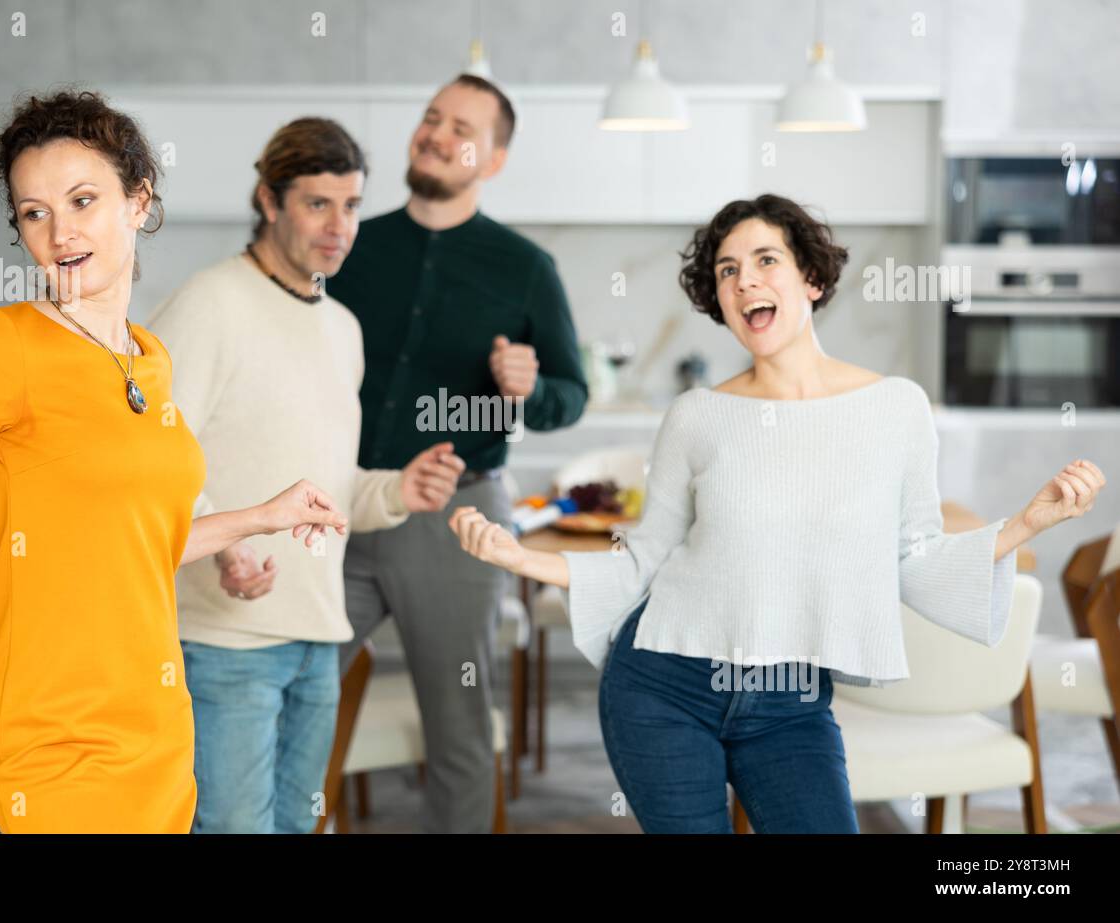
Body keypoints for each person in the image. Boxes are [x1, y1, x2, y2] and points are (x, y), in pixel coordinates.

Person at [448, 193, 1107, 834]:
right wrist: (518, 555)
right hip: (662, 688)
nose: (743, 282)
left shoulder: (897, 409)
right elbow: (643, 562)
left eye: (765, 260)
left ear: (812, 279)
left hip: (790, 706)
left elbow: (915, 557)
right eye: (727, 270)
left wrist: (1028, 522)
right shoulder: (697, 416)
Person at [0, 89, 347, 834]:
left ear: (139, 200)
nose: (59, 232)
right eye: (34, 212)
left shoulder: (150, 360)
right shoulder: (1, 344)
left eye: (82, 200)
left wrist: (265, 515)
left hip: (155, 720)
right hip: (50, 734)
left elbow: (135, 541)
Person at [149, 117, 466, 834]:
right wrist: (228, 546)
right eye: (317, 204)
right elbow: (153, 451)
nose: (338, 227)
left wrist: (395, 490)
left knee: (300, 826)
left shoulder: (342, 328)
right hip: (221, 642)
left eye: (351, 205)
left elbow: (330, 484)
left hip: (319, 636)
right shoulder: (211, 302)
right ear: (269, 200)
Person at [326, 74, 588, 833]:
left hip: (455, 519)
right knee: (296, 693)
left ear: (495, 160)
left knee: (458, 724)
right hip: (338, 505)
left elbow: (568, 397)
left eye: (462, 128)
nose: (439, 134)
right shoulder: (351, 245)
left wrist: (527, 387)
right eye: (432, 118)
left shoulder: (525, 267)